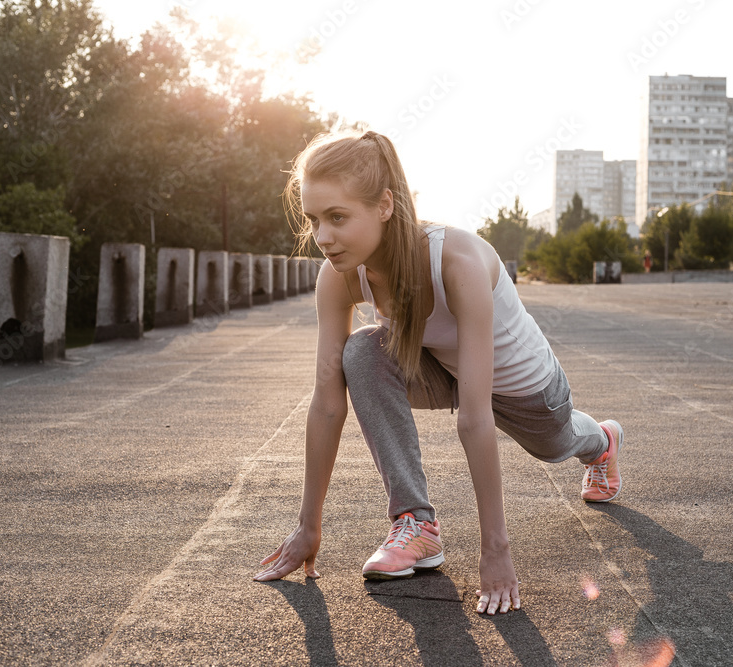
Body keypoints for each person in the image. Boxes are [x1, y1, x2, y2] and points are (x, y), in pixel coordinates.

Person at [253, 130, 622, 616]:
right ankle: (416, 524)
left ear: (384, 205)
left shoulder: (457, 259)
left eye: (338, 217)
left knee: (558, 445)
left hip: (526, 387)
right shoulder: (339, 275)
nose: (322, 237)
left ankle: (602, 440)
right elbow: (326, 401)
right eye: (314, 219)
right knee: (363, 353)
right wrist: (308, 526)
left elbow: (475, 417)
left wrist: (496, 551)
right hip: (441, 370)